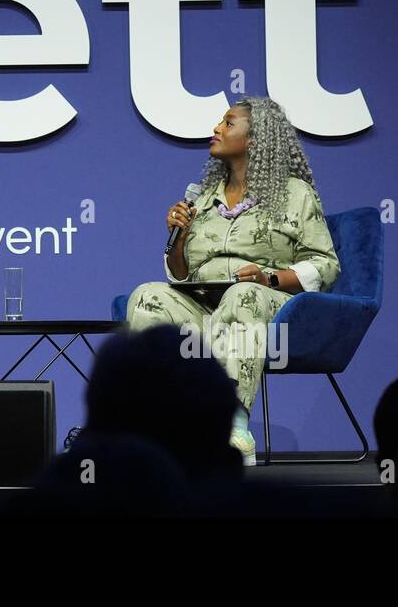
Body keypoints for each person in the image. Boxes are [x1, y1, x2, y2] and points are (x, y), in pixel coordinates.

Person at [125, 96, 340, 465]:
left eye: (228, 123)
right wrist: (177, 235)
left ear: (256, 138)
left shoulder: (295, 194)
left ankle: (231, 427)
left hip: (269, 305)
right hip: (206, 302)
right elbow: (181, 274)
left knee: (243, 295)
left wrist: (268, 277)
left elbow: (325, 265)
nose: (216, 129)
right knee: (148, 296)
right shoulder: (204, 197)